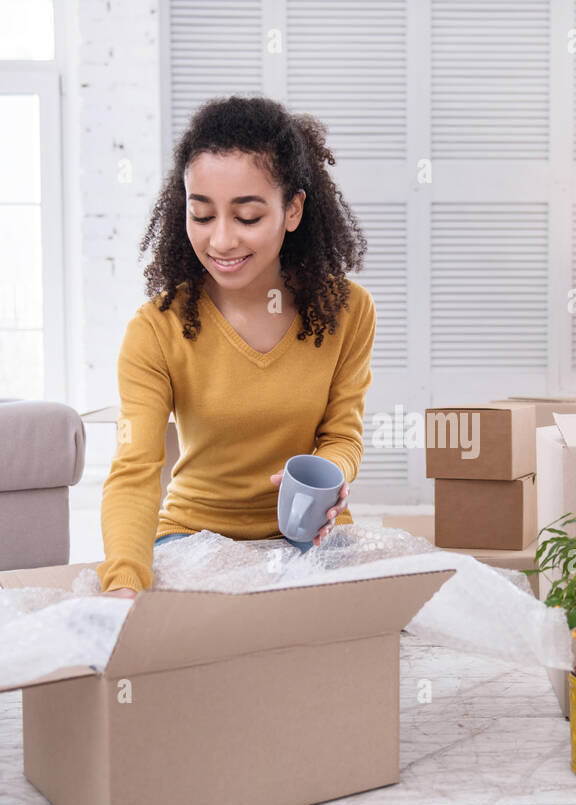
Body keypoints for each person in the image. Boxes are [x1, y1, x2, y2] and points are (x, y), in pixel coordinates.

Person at [97, 95, 374, 598]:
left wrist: (332, 476)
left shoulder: (348, 311)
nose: (221, 241)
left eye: (246, 217)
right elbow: (134, 472)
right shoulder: (156, 329)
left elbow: (343, 434)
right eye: (202, 216)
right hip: (193, 537)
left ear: (292, 210)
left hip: (314, 535)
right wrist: (123, 582)